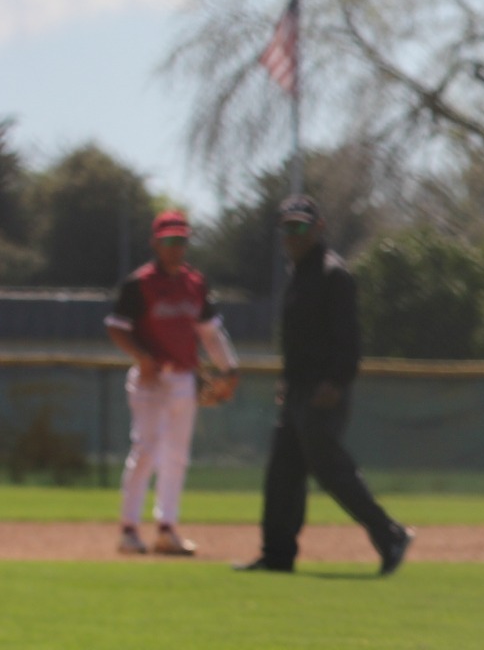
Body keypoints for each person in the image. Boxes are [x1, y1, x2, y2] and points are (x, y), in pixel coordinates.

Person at [234, 195, 412, 576]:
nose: (293, 234)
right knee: (282, 473)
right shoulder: (297, 273)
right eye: (287, 227)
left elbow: (348, 339)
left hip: (323, 391)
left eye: (300, 226)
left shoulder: (334, 274)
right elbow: (297, 339)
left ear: (318, 228)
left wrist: (336, 382)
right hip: (298, 390)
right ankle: (277, 554)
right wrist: (287, 380)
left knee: (330, 470)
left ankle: (390, 534)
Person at [104, 209, 239, 556]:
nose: (175, 246)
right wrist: (143, 357)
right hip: (152, 379)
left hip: (184, 379)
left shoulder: (195, 283)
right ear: (155, 243)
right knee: (146, 451)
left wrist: (230, 368)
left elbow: (209, 333)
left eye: (180, 240)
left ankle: (166, 530)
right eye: (168, 240)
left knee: (176, 456)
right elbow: (116, 327)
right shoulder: (139, 283)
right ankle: (129, 529)